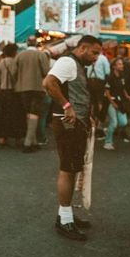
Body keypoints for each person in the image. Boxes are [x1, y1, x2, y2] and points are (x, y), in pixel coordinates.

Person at [43, 35, 102, 241]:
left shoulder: (75, 64)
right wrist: (67, 107)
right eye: (94, 52)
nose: (96, 57)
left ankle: (65, 213)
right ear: (83, 47)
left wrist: (87, 114)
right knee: (67, 170)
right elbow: (49, 83)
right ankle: (64, 220)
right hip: (67, 124)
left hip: (74, 123)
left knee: (72, 168)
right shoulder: (67, 61)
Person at [15, 36, 50, 153]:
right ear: (36, 43)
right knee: (34, 113)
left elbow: (15, 72)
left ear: (26, 43)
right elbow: (46, 71)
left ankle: (33, 141)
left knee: (28, 113)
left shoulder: (20, 55)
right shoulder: (41, 55)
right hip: (38, 87)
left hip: (22, 88)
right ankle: (28, 142)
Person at [0, 43, 26, 146]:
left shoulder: (2, 62)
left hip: (4, 91)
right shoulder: (16, 62)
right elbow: (17, 75)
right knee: (16, 115)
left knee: (3, 115)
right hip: (14, 92)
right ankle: (18, 138)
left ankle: (2, 138)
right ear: (14, 52)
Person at [103, 57, 130, 151]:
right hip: (111, 102)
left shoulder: (121, 76)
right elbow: (106, 92)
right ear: (114, 66)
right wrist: (112, 103)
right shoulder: (109, 77)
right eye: (119, 64)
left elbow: (122, 88)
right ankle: (108, 142)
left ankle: (109, 130)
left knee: (124, 122)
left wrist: (127, 95)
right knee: (114, 123)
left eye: (122, 64)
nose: (122, 65)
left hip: (120, 102)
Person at [86, 52, 111, 139]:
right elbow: (107, 71)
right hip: (94, 82)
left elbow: (107, 71)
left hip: (94, 81)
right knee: (96, 104)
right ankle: (94, 126)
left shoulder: (98, 57)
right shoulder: (98, 57)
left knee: (96, 104)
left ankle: (95, 126)